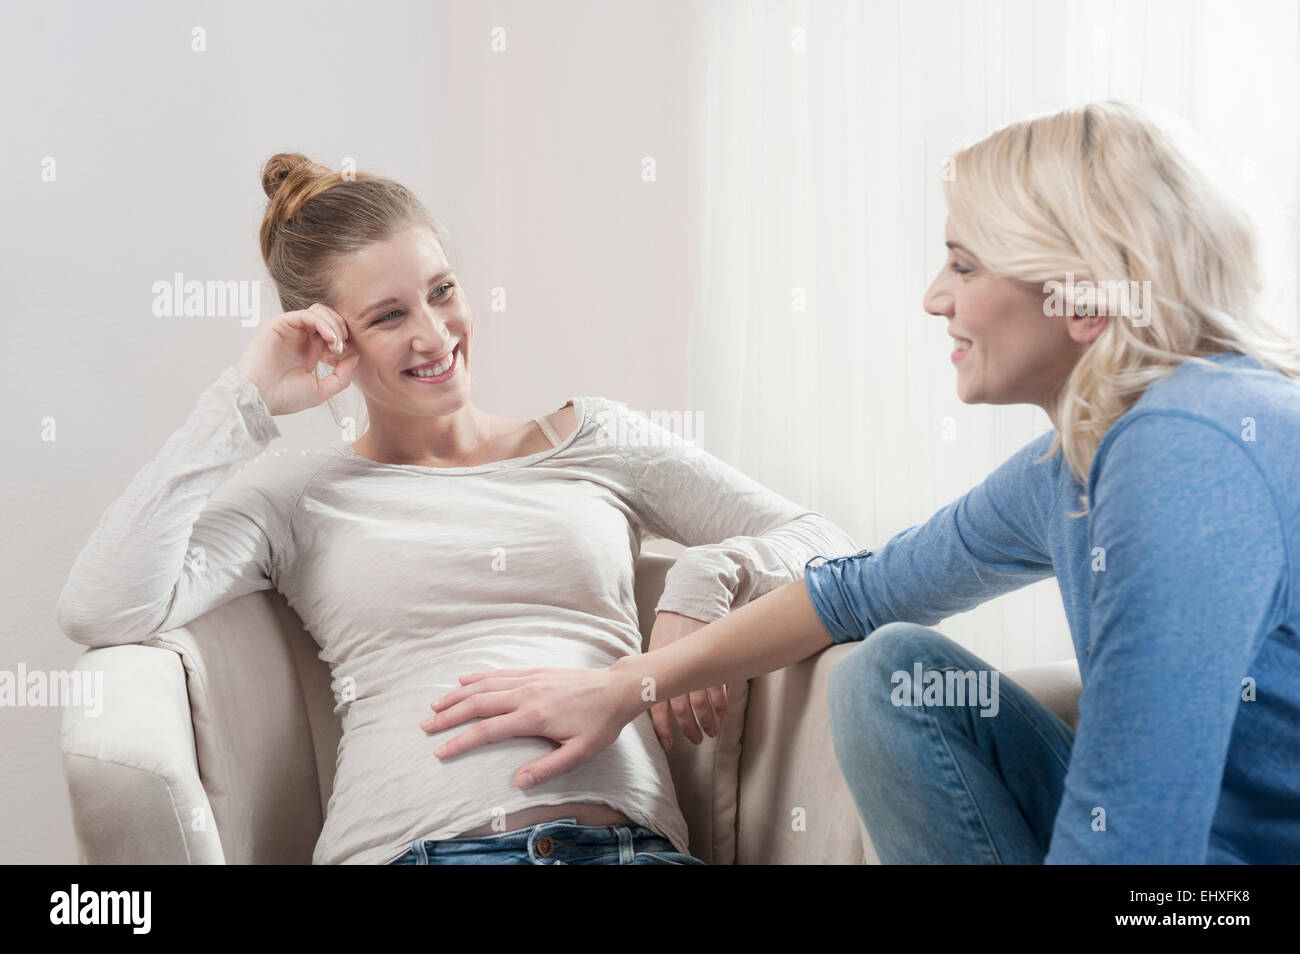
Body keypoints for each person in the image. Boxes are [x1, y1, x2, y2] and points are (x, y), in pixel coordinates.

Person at [423, 101, 1300, 864]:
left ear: (1081, 293)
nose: (933, 298)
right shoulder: (1080, 458)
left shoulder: (1192, 445)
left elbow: (1139, 844)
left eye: (964, 264)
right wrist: (628, 683)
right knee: (890, 672)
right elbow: (855, 595)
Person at [54, 153, 858, 865]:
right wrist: (245, 401)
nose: (436, 335)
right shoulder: (299, 496)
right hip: (423, 852)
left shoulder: (596, 439)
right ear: (332, 341)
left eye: (442, 292)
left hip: (630, 850)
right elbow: (104, 605)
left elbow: (826, 543)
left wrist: (703, 581)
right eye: (389, 316)